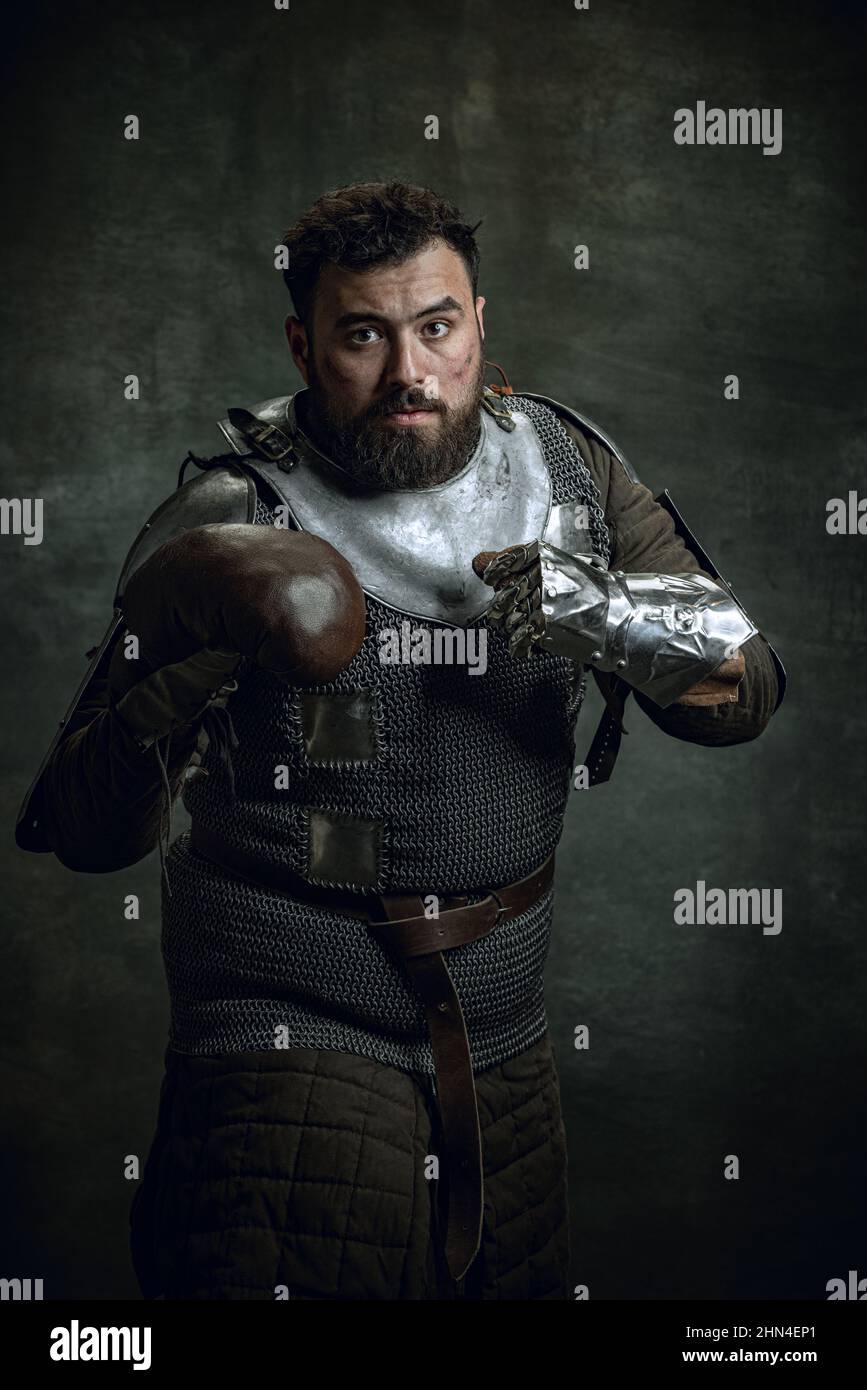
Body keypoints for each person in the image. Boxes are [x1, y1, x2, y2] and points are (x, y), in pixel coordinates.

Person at [16, 180, 784, 1301]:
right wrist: (174, 649)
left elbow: (747, 688)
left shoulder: (568, 474)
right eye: (362, 336)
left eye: (437, 328)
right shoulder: (242, 511)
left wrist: (603, 611)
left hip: (507, 1041)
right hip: (288, 1030)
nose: (409, 373)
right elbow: (81, 830)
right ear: (304, 344)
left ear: (481, 324)